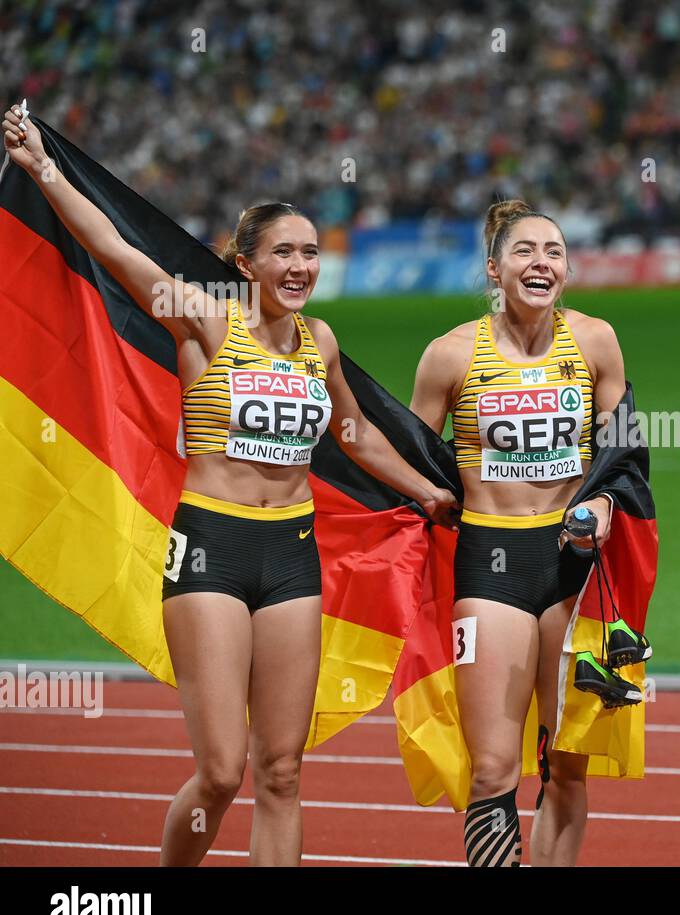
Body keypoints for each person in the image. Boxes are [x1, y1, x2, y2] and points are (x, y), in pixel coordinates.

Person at [2, 104, 457, 866]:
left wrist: (428, 490)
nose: (301, 267)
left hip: (293, 556)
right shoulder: (205, 320)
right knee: (221, 773)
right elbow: (113, 246)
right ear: (246, 264)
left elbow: (352, 434)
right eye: (283, 253)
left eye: (310, 252)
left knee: (282, 771)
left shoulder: (321, 342)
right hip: (212, 548)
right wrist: (43, 166)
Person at [410, 199, 634, 867]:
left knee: (567, 766)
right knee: (493, 768)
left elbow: (623, 454)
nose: (541, 262)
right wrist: (431, 498)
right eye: (525, 251)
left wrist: (606, 510)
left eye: (554, 252)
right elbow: (412, 462)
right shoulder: (449, 356)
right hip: (489, 564)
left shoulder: (595, 341)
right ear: (494, 268)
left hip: (572, 564)